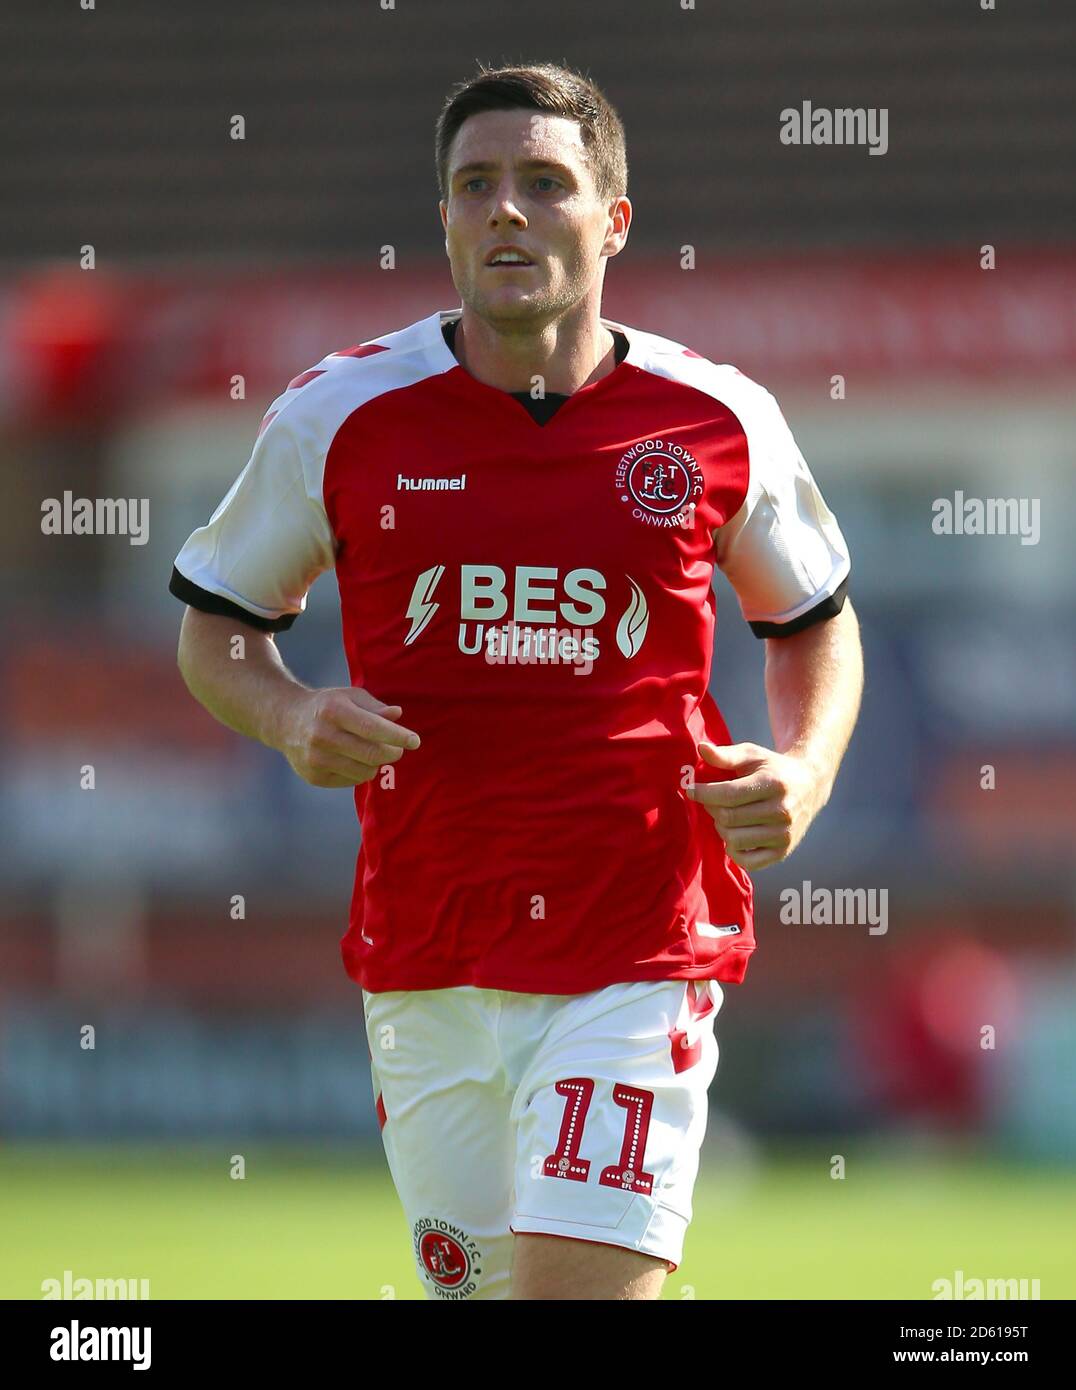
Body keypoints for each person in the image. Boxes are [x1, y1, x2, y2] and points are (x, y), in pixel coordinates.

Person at [170, 60, 864, 1301]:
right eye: (475, 185)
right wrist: (288, 715)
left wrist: (803, 767)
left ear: (613, 220)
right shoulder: (341, 415)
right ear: (441, 220)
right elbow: (218, 627)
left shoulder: (715, 418)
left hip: (635, 949)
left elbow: (813, 617)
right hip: (426, 954)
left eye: (545, 183)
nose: (506, 210)